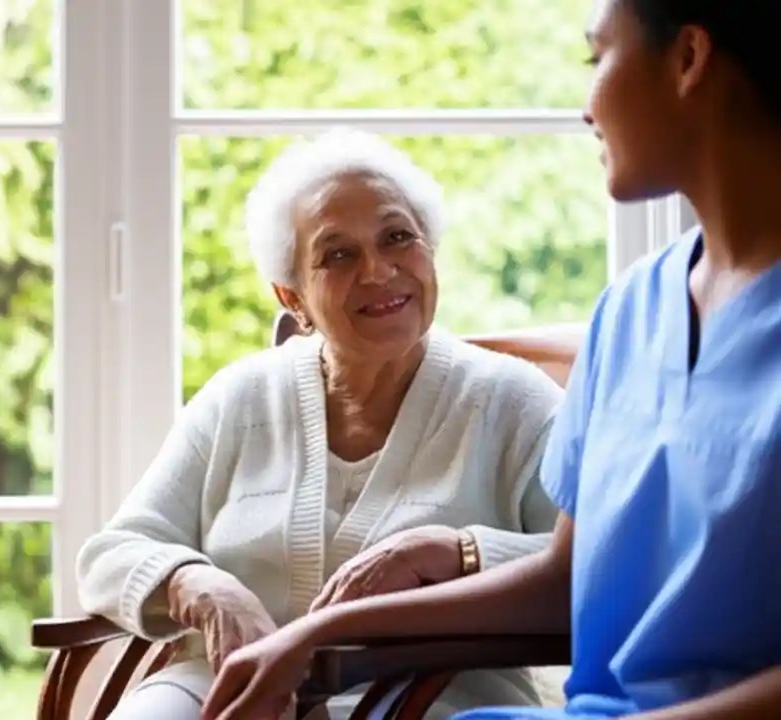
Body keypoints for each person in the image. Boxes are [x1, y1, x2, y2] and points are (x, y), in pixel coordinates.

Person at [201, 1, 781, 719]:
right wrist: (318, 630)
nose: (586, 107)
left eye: (595, 58)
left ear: (689, 59)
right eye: (339, 256)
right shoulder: (632, 310)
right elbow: (561, 579)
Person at [76, 129, 567, 720]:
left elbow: (596, 567)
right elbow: (113, 552)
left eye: (398, 238)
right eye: (338, 254)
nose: (379, 271)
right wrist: (200, 587)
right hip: (229, 689)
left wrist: (460, 551)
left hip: (427, 701)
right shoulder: (240, 399)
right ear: (293, 298)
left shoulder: (511, 402)